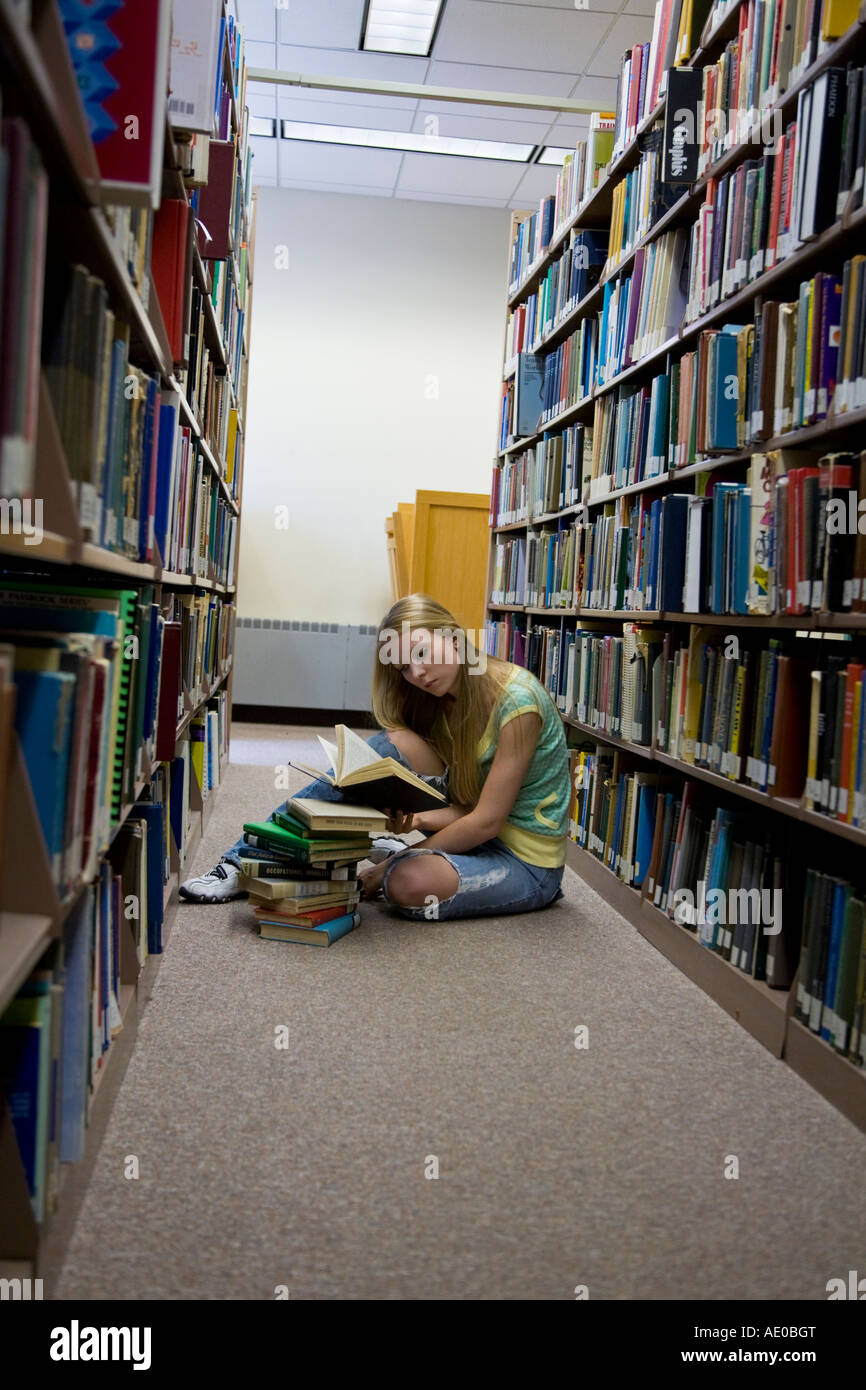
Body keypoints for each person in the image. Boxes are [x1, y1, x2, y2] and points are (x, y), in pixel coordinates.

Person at [180, 594, 571, 921]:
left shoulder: (518, 702)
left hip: (525, 862)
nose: (418, 673)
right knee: (387, 748)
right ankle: (244, 858)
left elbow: (484, 822)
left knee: (405, 883)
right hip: (480, 833)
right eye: (404, 667)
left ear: (452, 635)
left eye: (421, 652)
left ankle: (398, 860)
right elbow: (467, 807)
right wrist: (416, 819)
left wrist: (387, 867)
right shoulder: (446, 702)